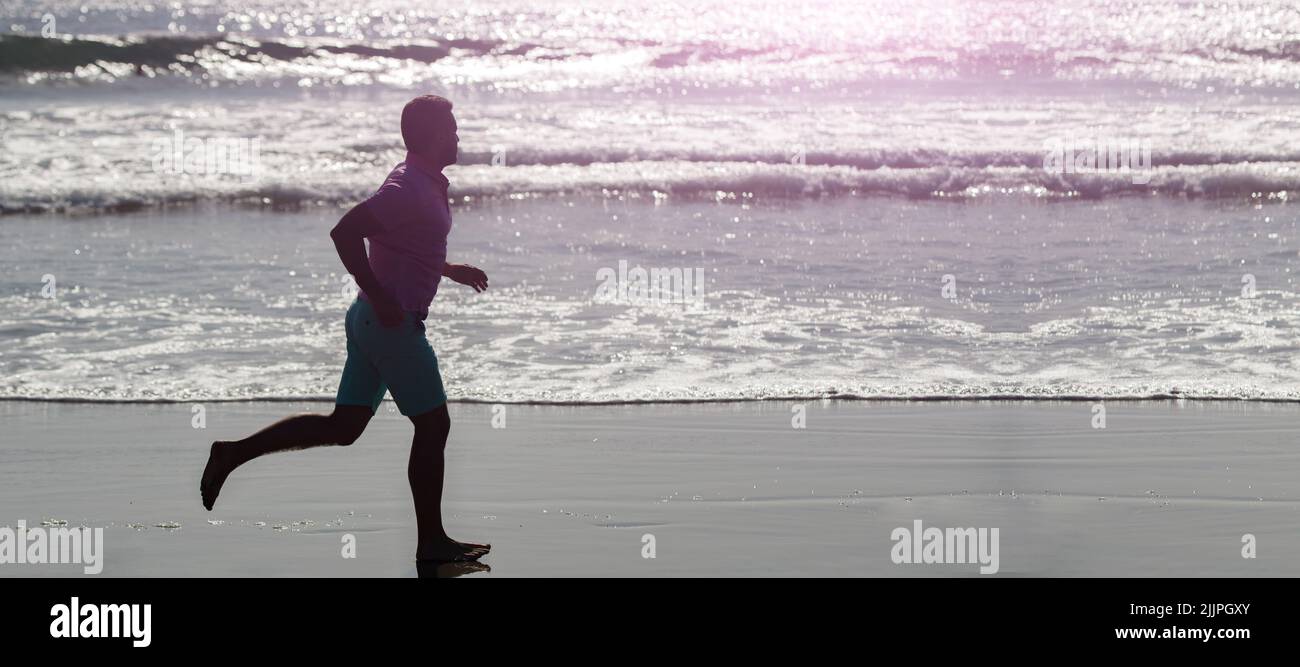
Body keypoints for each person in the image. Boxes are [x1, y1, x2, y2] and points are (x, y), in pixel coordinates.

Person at [200, 95, 491, 562]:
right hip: (389, 324)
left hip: (370, 321)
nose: (458, 135)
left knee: (345, 426)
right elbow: (346, 231)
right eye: (451, 128)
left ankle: (232, 454)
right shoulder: (408, 187)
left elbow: (403, 243)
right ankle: (432, 544)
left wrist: (446, 268)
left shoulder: (424, 184)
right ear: (431, 135)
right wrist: (380, 296)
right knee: (434, 426)